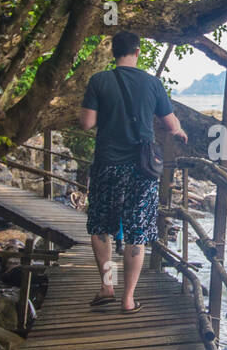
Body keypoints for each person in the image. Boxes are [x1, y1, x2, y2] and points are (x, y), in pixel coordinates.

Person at [77, 31, 188, 313]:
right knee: (137, 233)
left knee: (102, 228)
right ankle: (128, 299)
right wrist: (178, 131)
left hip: (107, 165)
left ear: (113, 53)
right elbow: (171, 123)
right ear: (137, 52)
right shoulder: (152, 83)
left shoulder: (99, 81)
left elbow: (87, 123)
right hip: (142, 169)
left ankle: (107, 287)